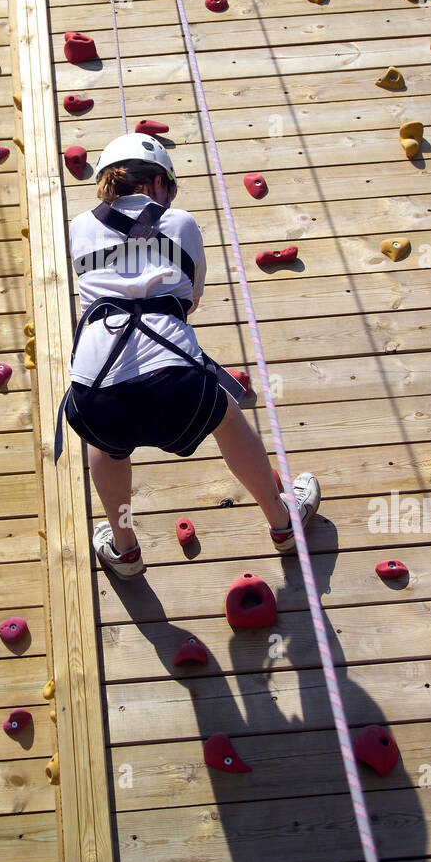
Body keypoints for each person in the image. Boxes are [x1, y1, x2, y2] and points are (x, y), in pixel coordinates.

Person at [56, 133, 320, 579]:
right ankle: (281, 523)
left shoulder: (78, 227)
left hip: (96, 385)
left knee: (105, 445)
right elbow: (191, 297)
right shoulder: (181, 223)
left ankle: (125, 548)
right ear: (159, 183)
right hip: (174, 377)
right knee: (228, 420)